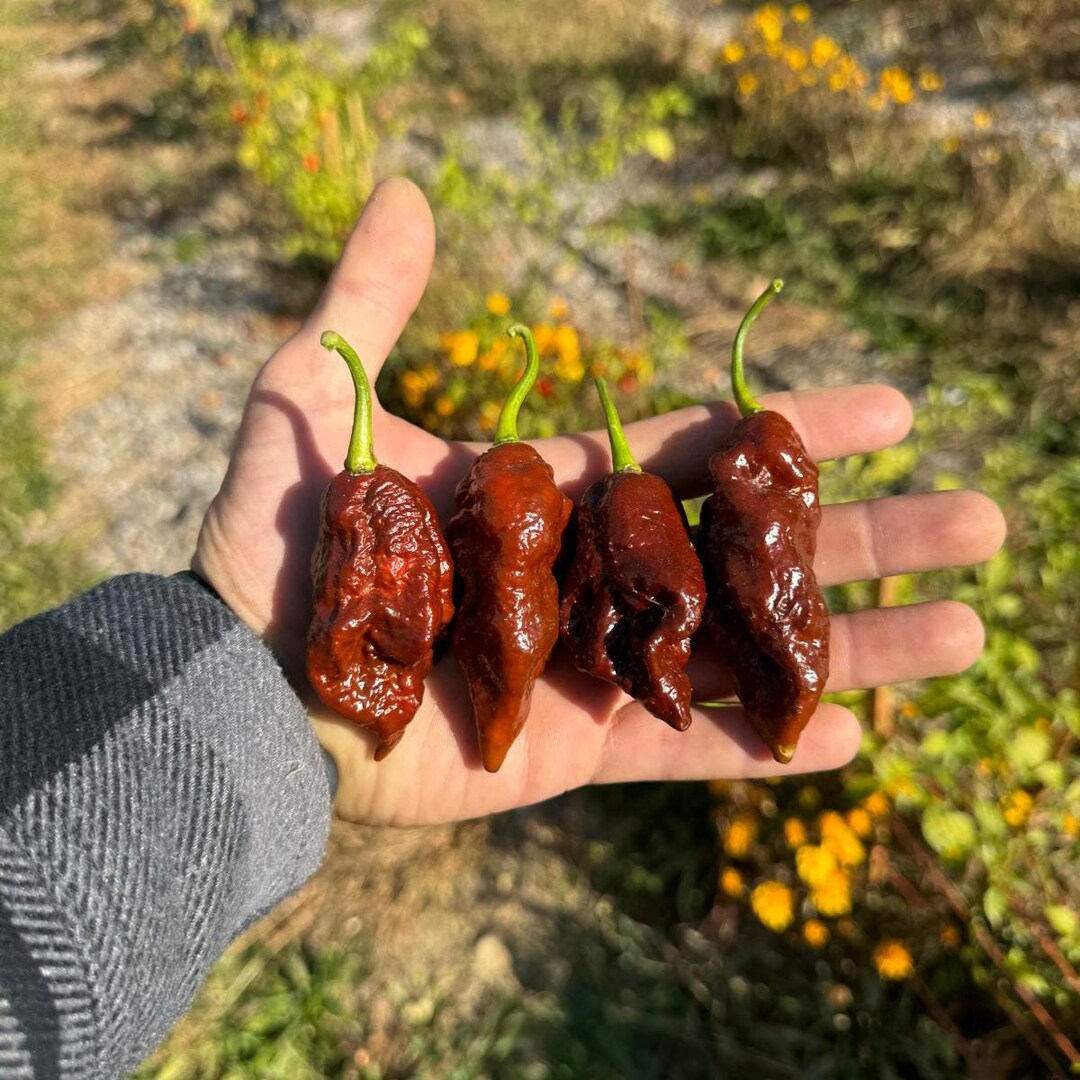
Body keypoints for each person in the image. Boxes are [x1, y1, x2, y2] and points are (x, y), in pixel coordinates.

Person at [0, 178, 1006, 1079]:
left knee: (683, 593)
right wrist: (253, 657)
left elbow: (666, 592)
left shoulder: (655, 493)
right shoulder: (418, 507)